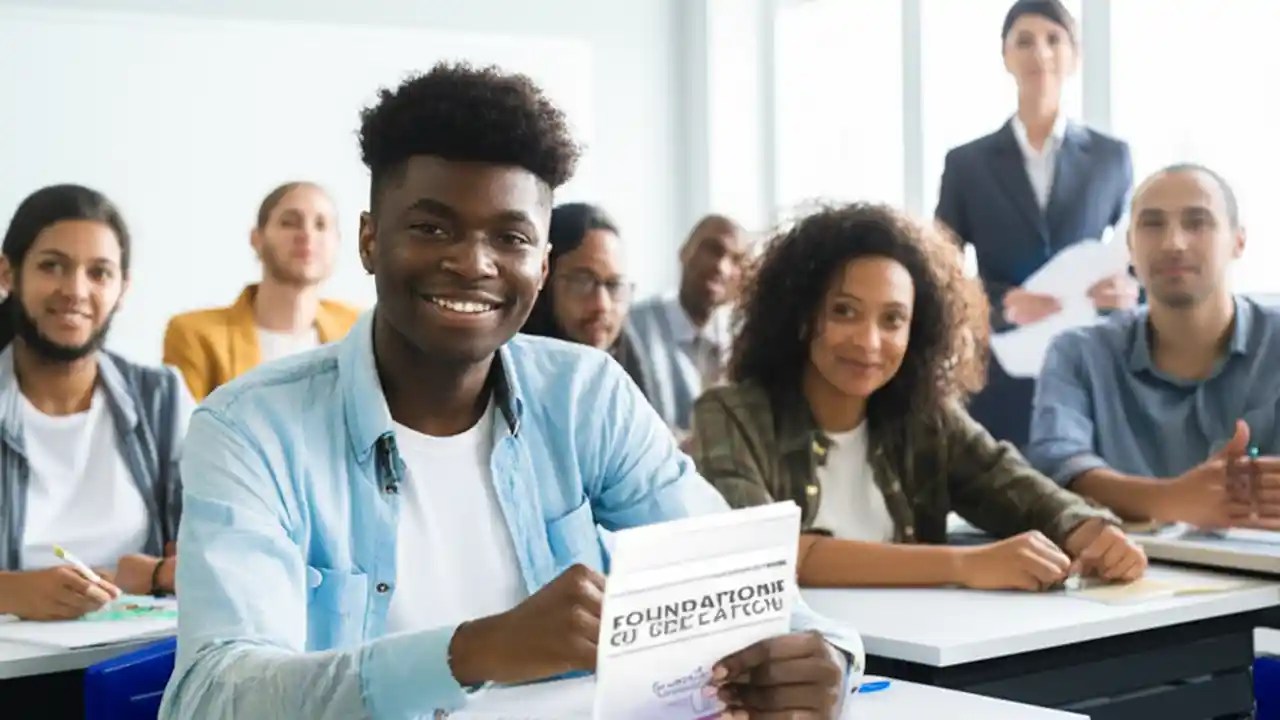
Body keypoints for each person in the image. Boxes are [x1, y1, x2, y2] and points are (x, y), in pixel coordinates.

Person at [160, 63, 861, 720]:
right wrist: (473, 651)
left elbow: (745, 591)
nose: (472, 263)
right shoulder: (251, 426)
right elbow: (213, 694)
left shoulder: (585, 395)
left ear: (544, 262)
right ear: (371, 240)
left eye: (511, 236)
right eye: (432, 227)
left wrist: (828, 656)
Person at [690, 202, 1146, 590]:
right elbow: (762, 552)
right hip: (796, 668)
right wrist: (966, 565)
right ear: (802, 316)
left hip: (922, 662)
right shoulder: (730, 414)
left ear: (917, 332)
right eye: (844, 312)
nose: (869, 342)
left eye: (892, 320)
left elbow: (1015, 487)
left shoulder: (927, 420)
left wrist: (1092, 532)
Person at [1029, 164, 1280, 529]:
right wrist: (1173, 500)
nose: (1173, 243)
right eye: (1152, 224)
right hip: (1126, 573)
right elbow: (1055, 466)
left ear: (1238, 242)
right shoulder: (1078, 354)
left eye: (1197, 222)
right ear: (1130, 245)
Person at [935, 0, 1137, 448]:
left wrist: (1127, 292)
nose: (1040, 54)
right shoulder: (966, 164)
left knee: (1084, 488)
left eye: (1053, 40)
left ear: (1074, 55)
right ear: (1005, 56)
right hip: (999, 368)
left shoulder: (1111, 157)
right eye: (1024, 41)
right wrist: (999, 303)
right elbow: (939, 267)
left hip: (1087, 359)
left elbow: (1137, 255)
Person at [0, 184, 192, 620]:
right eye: (52, 266)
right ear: (8, 275)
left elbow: (212, 544)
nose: (75, 290)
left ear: (122, 288)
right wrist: (11, 592)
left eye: (99, 273)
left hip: (137, 663)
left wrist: (158, 572)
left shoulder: (160, 398)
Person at [163, 181, 360, 400]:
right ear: (257, 238)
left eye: (321, 225)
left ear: (338, 241)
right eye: (289, 223)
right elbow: (183, 430)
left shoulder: (359, 330)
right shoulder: (195, 334)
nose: (306, 234)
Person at [628, 214, 749, 434]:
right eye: (713, 250)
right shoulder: (632, 328)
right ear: (685, 251)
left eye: (737, 260)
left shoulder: (742, 343)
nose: (722, 267)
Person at [521, 202, 650, 396]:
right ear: (544, 279)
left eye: (614, 285)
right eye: (583, 282)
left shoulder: (626, 363)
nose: (602, 305)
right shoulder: (509, 376)